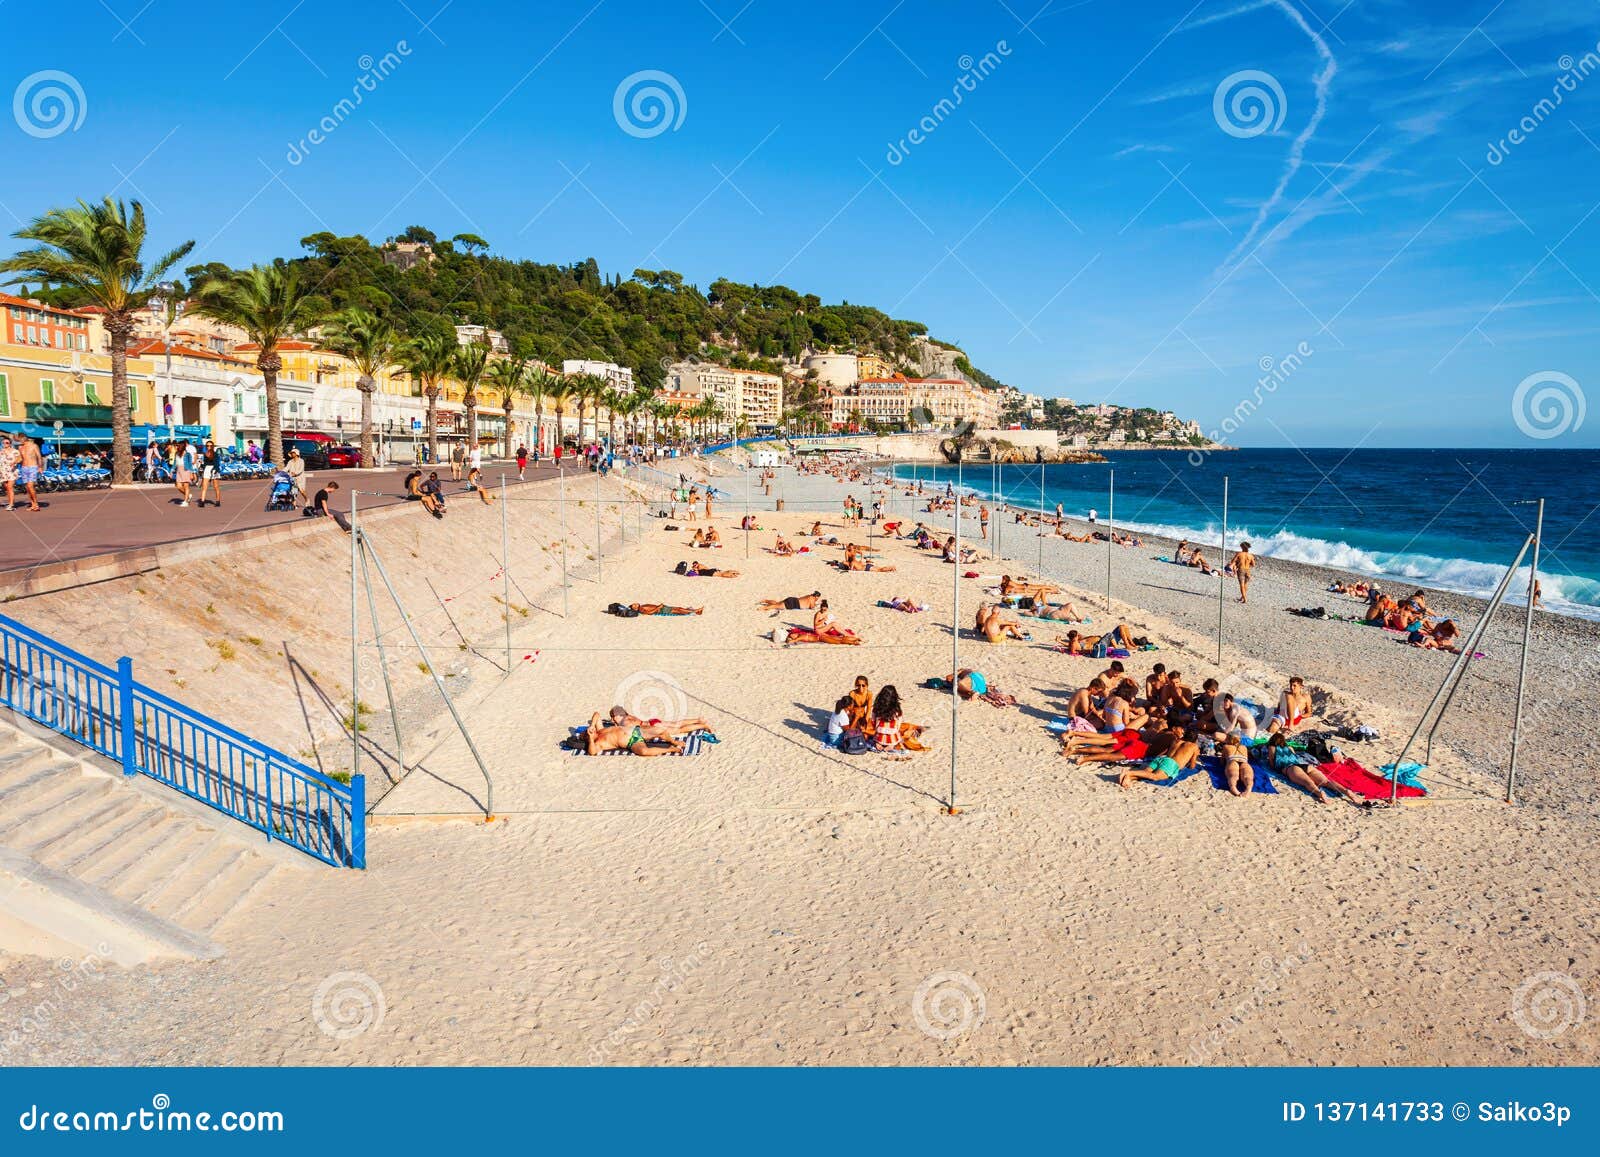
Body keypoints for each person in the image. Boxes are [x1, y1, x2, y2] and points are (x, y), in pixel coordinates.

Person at [1117, 727, 1201, 789]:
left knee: (1145, 774)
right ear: (1195, 739)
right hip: (1171, 764)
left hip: (1161, 759)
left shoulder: (1176, 740)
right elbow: (1192, 766)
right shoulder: (1194, 746)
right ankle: (1129, 773)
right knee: (1155, 776)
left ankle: (1129, 778)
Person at [584, 711, 684, 757]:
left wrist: (592, 725)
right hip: (632, 742)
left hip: (635, 730)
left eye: (586, 731)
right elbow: (592, 753)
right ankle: (671, 749)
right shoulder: (597, 743)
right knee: (644, 752)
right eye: (586, 734)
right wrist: (591, 739)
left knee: (661, 730)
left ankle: (674, 741)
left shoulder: (600, 729)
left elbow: (596, 714)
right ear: (587, 739)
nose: (588, 732)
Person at [1219, 732, 1252, 797]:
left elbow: (1222, 761)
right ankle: (1248, 790)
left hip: (1232, 761)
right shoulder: (1244, 747)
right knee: (1247, 777)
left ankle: (1234, 789)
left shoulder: (1226, 746)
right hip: (1244, 762)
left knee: (1233, 776)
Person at [196, 440, 223, 508]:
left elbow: (217, 463)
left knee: (216, 487)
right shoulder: (205, 454)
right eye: (207, 446)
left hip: (214, 469)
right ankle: (202, 501)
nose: (209, 447)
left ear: (213, 446)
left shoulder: (216, 454)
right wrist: (202, 467)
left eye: (210, 446)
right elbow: (205, 463)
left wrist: (216, 470)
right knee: (204, 487)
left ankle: (218, 501)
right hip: (207, 469)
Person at [0, 434, 19, 511]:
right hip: (3, 472)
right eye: (3, 443)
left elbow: (20, 459)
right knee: (7, 488)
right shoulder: (1, 452)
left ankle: (11, 505)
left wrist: (14, 462)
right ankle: (10, 502)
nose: (5, 444)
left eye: (7, 443)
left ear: (10, 443)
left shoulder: (15, 451)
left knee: (10, 487)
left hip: (12, 471)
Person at [173, 440, 194, 507]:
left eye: (178, 445)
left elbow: (190, 464)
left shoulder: (188, 454)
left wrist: (191, 473)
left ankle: (185, 502)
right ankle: (188, 495)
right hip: (179, 470)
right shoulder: (176, 453)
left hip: (186, 470)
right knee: (178, 486)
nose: (177, 446)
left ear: (182, 446)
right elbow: (174, 463)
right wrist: (171, 470)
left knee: (186, 486)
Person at [757, 591, 823, 612]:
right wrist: (817, 604)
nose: (817, 599)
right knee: (776, 606)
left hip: (793, 599)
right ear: (816, 596)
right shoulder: (812, 599)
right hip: (794, 604)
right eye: (818, 597)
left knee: (777, 603)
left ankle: (766, 600)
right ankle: (762, 608)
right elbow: (812, 607)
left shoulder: (809, 596)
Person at [627, 603, 703, 616]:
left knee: (679, 609)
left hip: (662, 608)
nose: (636, 603)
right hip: (661, 610)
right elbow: (649, 613)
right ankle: (695, 611)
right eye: (634, 605)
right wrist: (658, 607)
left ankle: (696, 612)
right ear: (635, 608)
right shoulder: (641, 609)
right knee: (679, 610)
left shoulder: (642, 606)